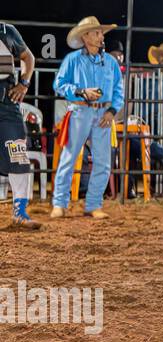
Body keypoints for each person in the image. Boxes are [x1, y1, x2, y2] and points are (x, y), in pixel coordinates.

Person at [51, 16, 125, 220]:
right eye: (97, 32)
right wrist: (81, 92)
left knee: (102, 161)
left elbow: (119, 90)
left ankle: (93, 204)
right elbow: (59, 85)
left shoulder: (109, 62)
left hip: (103, 114)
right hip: (80, 111)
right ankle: (60, 203)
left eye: (101, 33)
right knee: (69, 158)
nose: (101, 36)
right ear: (85, 37)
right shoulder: (72, 60)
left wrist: (112, 111)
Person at [0, 21, 40, 229]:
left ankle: (20, 211)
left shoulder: (7, 31)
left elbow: (28, 57)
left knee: (18, 152)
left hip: (7, 100)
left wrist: (24, 83)